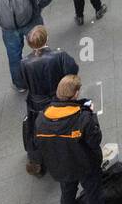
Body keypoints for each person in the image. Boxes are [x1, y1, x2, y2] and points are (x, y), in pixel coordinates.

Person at [34, 74, 107, 204]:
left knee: (67, 193)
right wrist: (92, 115)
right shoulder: (83, 118)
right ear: (76, 94)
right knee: (93, 197)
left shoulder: (41, 118)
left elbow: (39, 143)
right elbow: (95, 140)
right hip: (86, 166)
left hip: (61, 167)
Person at [21, 25, 80, 177]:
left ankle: (37, 159)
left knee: (36, 130)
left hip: (36, 102)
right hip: (56, 99)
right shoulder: (59, 56)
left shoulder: (24, 62)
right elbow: (73, 69)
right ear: (47, 38)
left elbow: (23, 82)